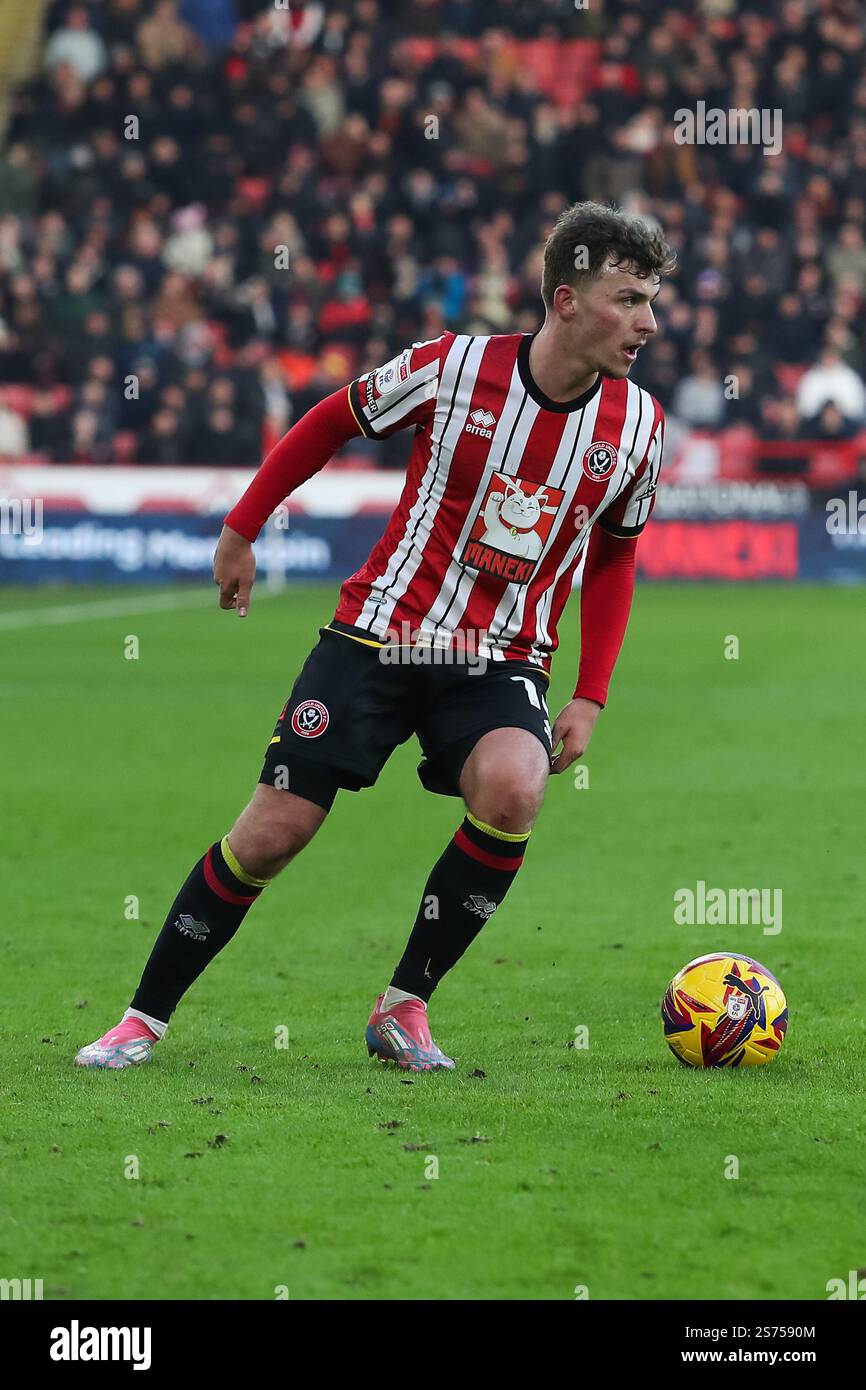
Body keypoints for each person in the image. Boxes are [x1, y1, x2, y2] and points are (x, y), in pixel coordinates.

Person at [75, 201, 673, 1074]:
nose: (648, 323)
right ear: (567, 300)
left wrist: (591, 692)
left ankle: (405, 1008)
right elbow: (330, 421)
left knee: (515, 787)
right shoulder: (452, 367)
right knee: (274, 831)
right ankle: (141, 1018)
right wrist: (243, 528)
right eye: (629, 299)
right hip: (380, 635)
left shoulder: (642, 428)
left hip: (499, 658)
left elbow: (615, 558)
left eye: (653, 300)